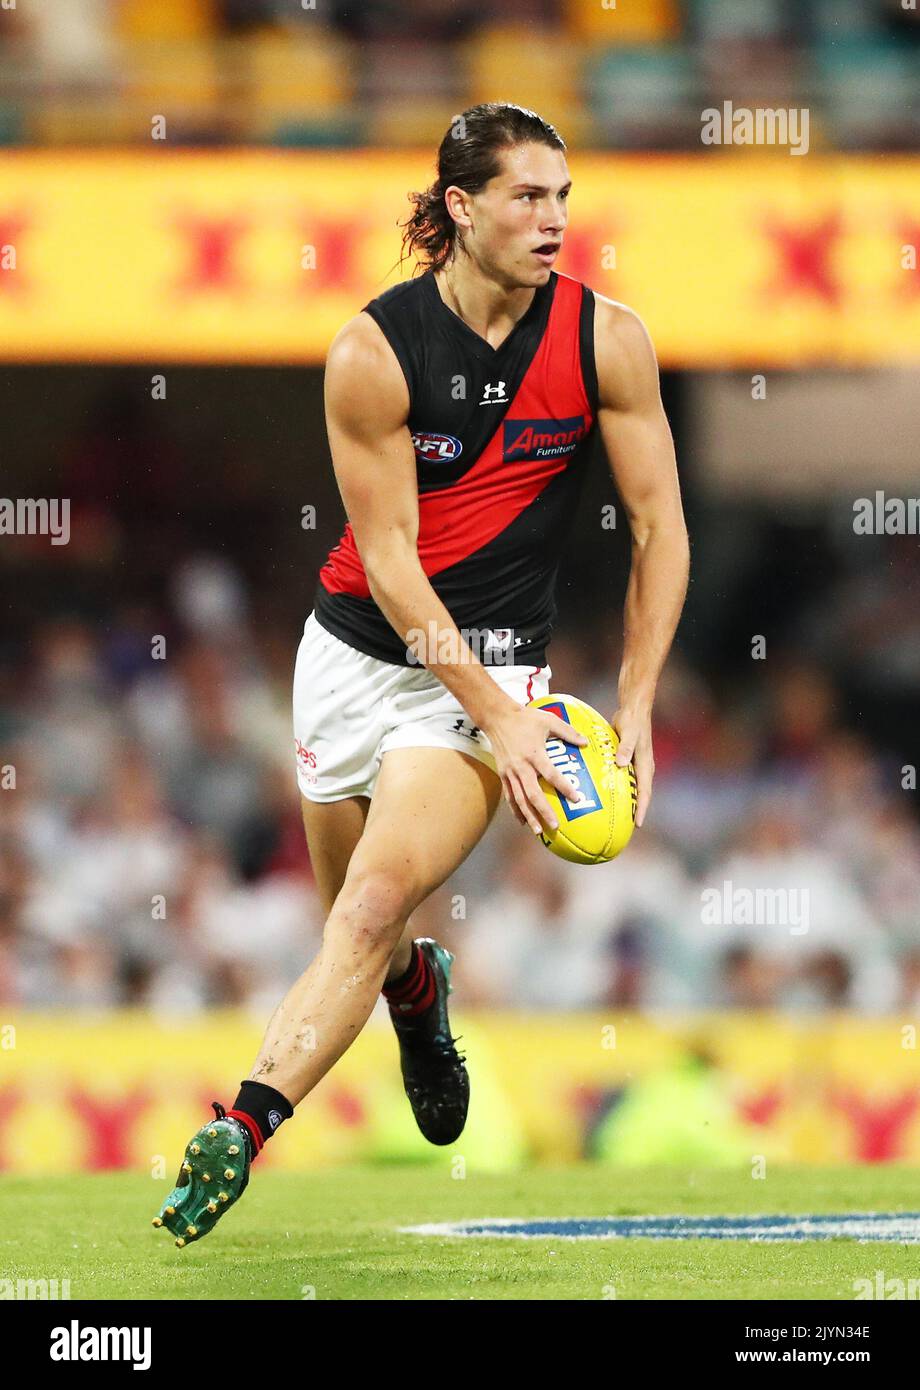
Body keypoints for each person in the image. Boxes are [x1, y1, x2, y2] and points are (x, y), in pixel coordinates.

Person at [153, 102, 689, 1247]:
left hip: (492, 666)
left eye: (561, 197)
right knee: (359, 931)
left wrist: (625, 702)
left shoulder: (607, 339)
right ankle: (416, 994)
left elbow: (659, 528)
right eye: (526, 197)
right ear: (460, 207)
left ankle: (240, 1127)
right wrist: (495, 714)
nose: (553, 221)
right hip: (353, 656)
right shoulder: (371, 353)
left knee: (368, 905)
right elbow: (391, 565)